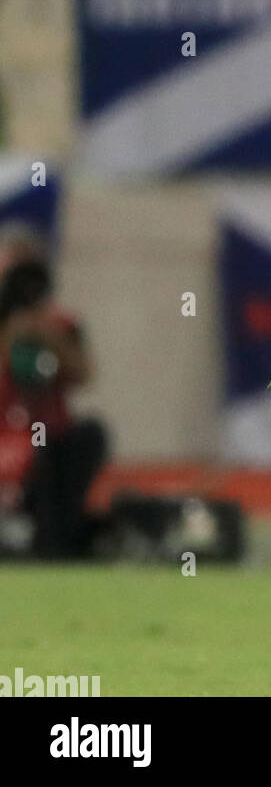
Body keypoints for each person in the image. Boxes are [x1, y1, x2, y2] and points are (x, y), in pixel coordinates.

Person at [0, 231, 107, 559]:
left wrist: (48, 336)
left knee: (88, 436)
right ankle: (43, 541)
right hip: (9, 433)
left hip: (51, 429)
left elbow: (84, 372)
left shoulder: (59, 323)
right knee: (34, 456)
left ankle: (64, 537)